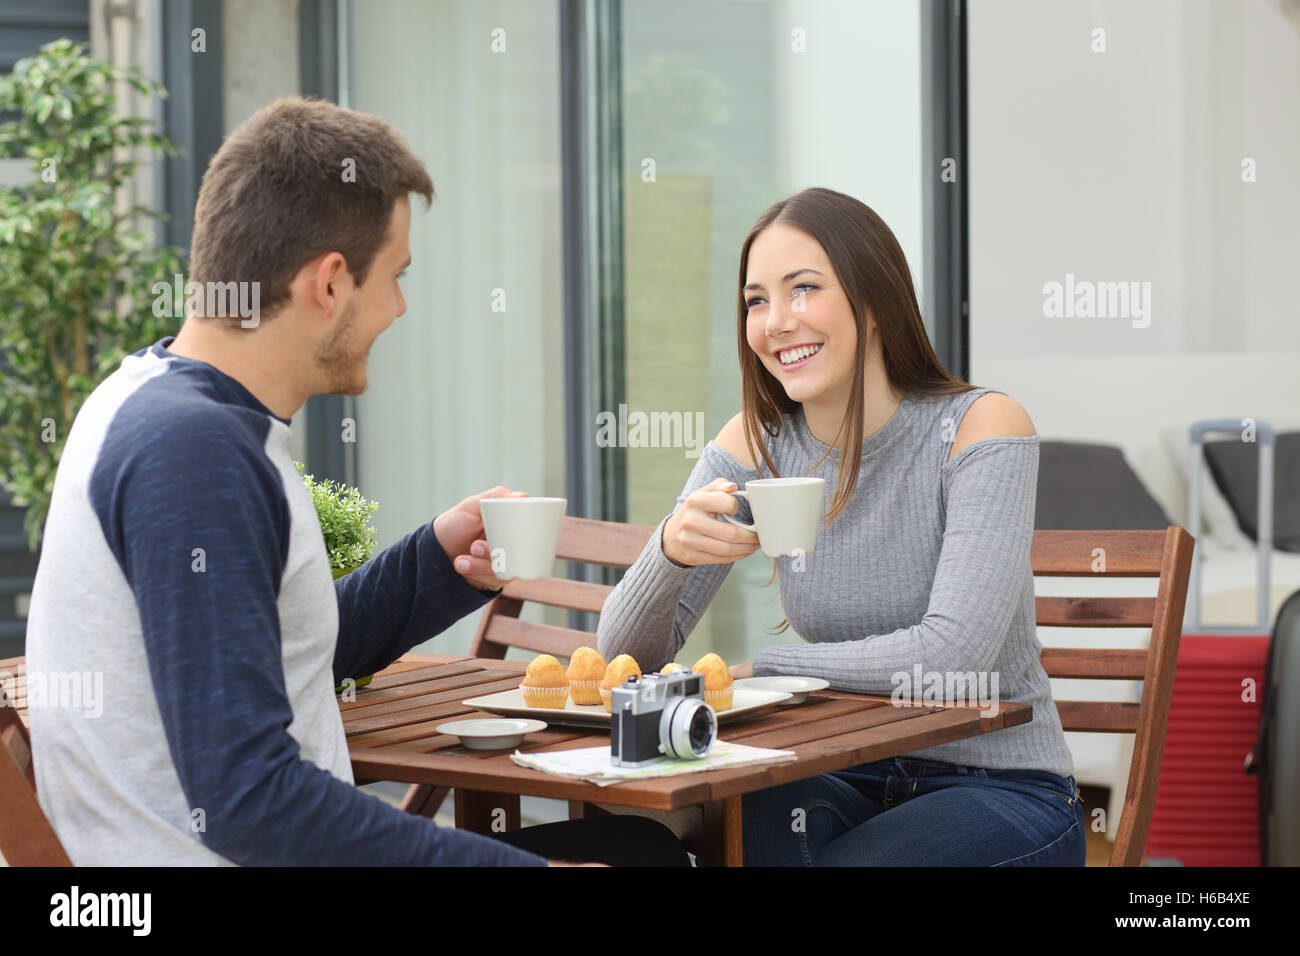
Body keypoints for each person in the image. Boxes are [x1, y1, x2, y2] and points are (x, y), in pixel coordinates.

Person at [24, 96, 686, 867]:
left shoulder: (149, 397)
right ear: (329, 283)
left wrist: (434, 564)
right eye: (395, 277)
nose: (400, 308)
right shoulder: (195, 453)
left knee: (641, 850)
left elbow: (279, 652)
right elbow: (249, 804)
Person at [596, 187, 1086, 866]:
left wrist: (767, 669)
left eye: (803, 289)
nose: (776, 322)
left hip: (1000, 787)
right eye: (756, 300)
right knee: (735, 825)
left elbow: (955, 654)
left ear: (875, 302)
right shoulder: (755, 444)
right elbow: (624, 655)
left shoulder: (977, 427)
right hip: (842, 772)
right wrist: (669, 554)